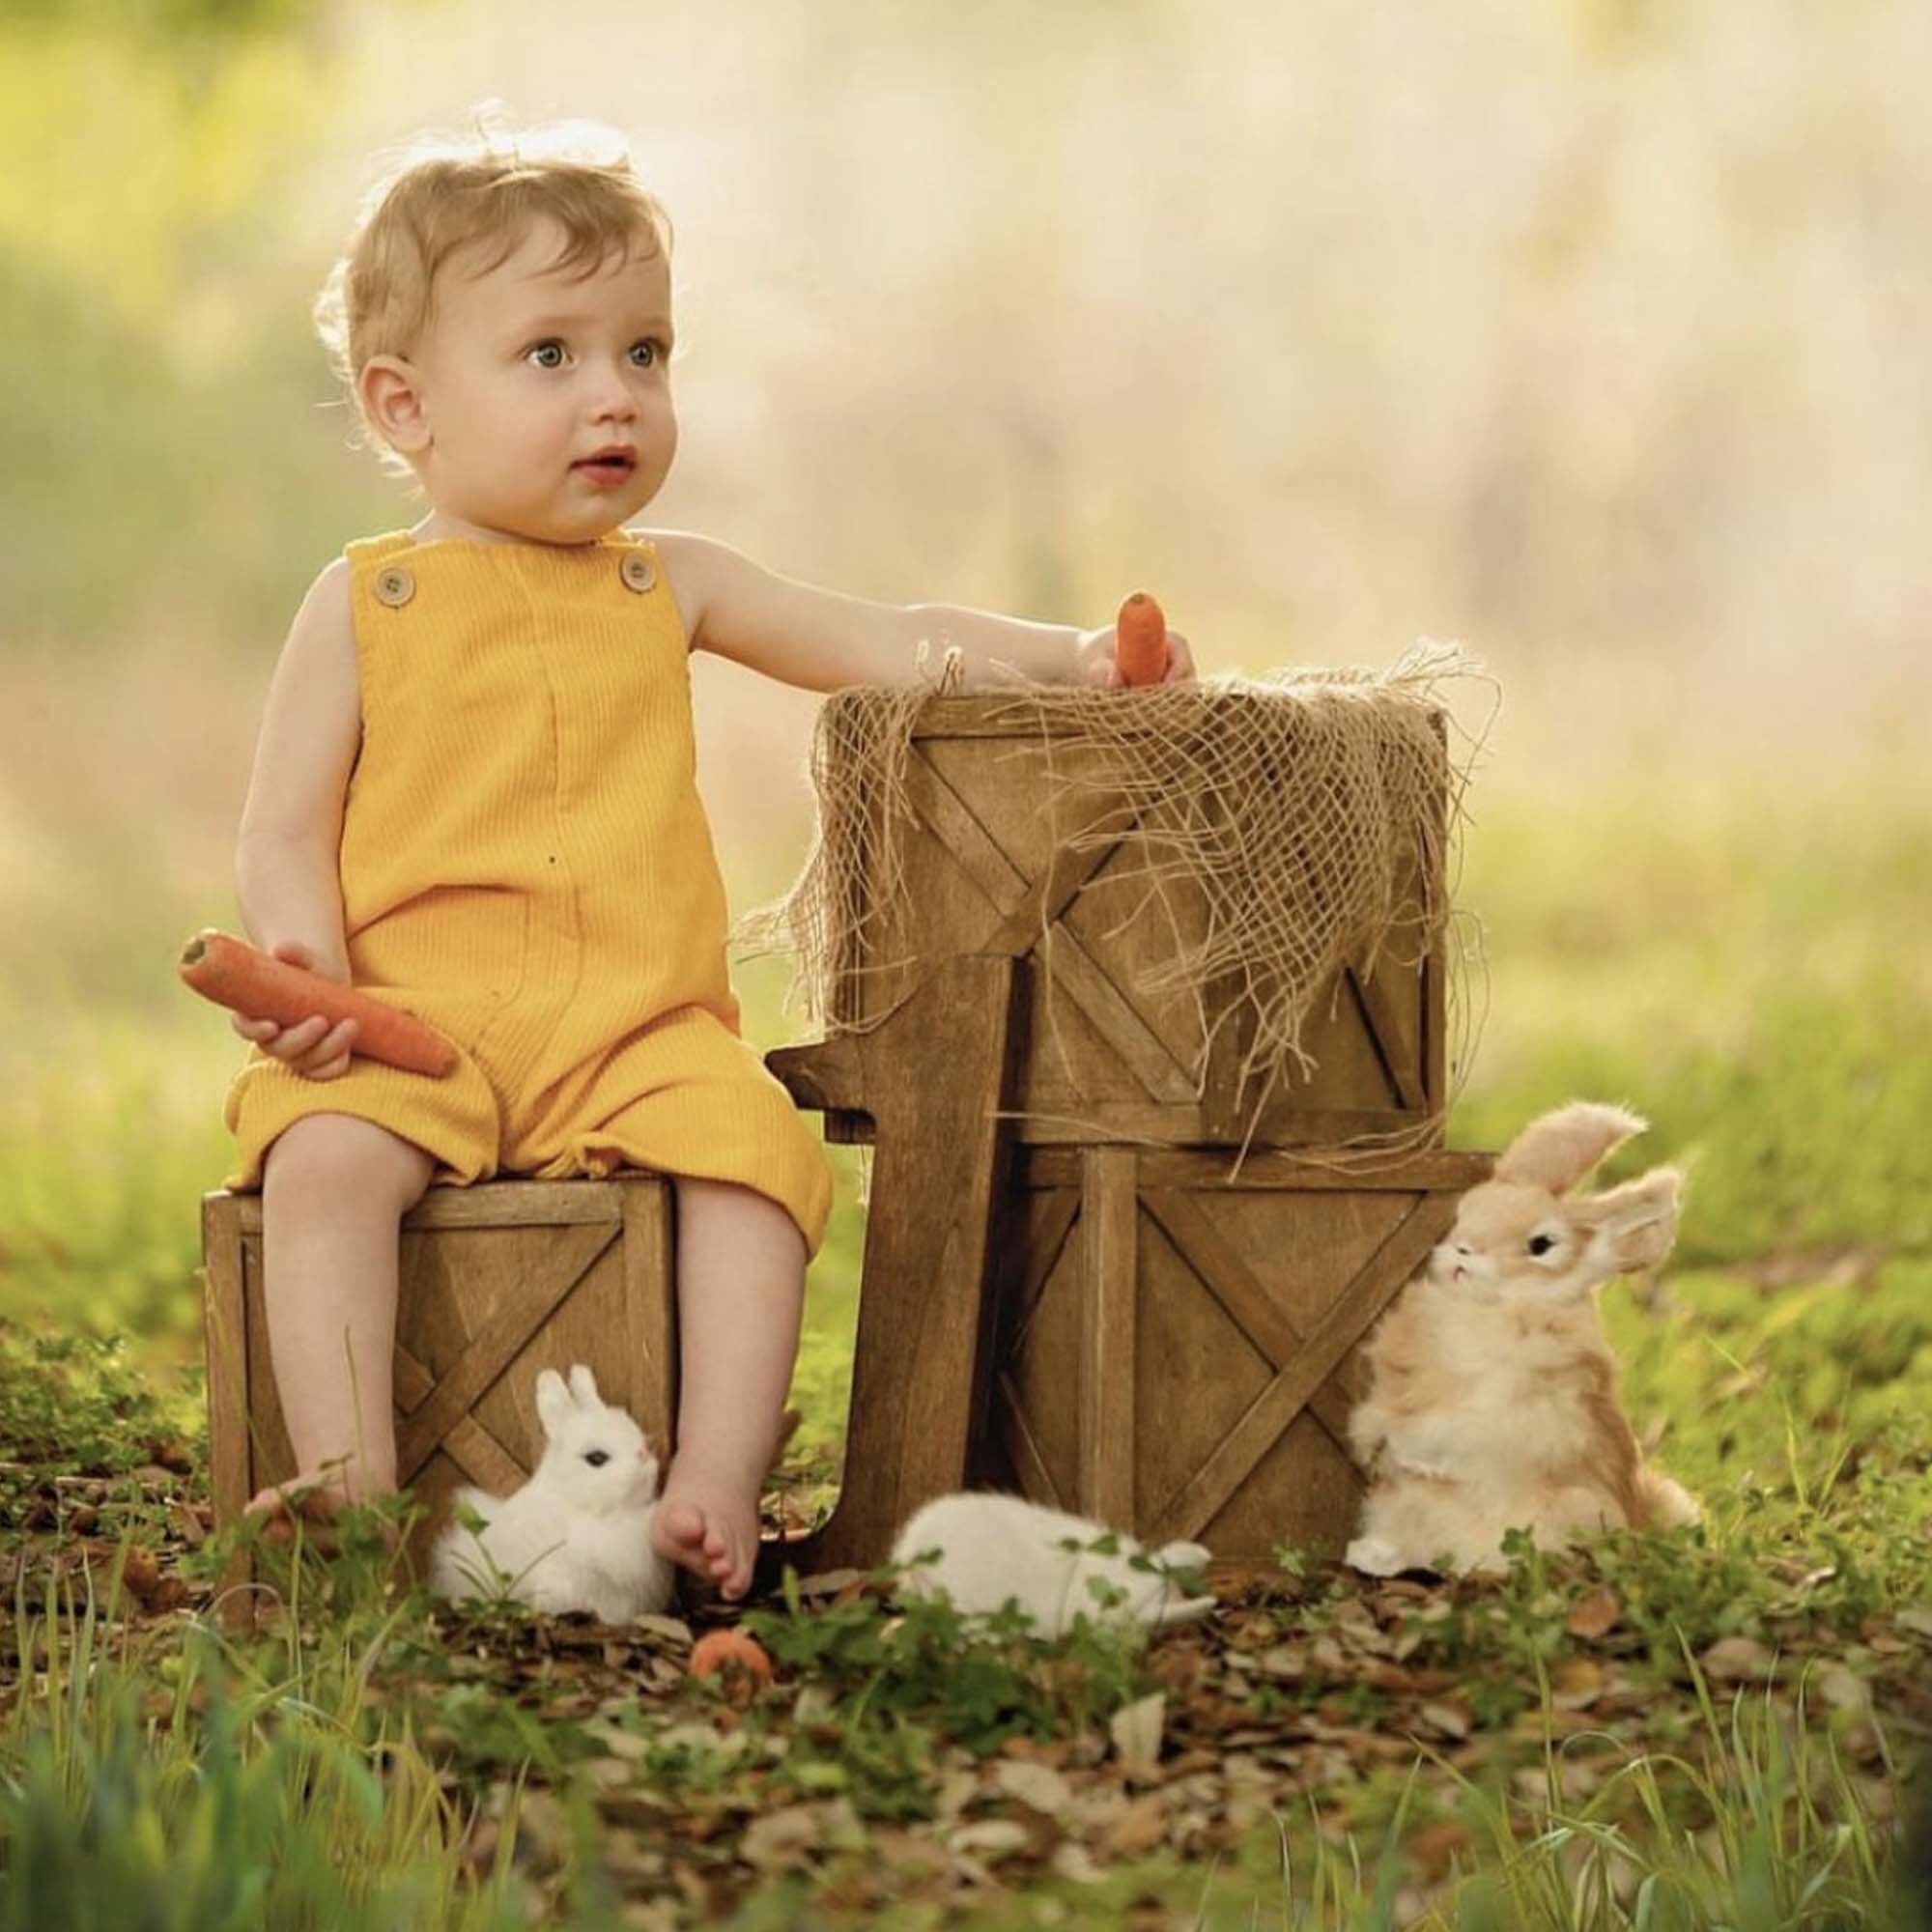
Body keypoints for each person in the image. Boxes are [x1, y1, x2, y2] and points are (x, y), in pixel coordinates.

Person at [223, 118, 1195, 1603]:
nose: (614, 395)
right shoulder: (367, 603)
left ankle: (714, 1489)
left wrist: (1066, 660)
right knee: (323, 1159)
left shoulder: (667, 583)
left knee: (751, 1159)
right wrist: (306, 964)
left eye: (646, 353)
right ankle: (350, 1477)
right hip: (419, 1020)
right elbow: (284, 828)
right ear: (405, 406)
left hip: (634, 1024)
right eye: (550, 355)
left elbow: (885, 640)